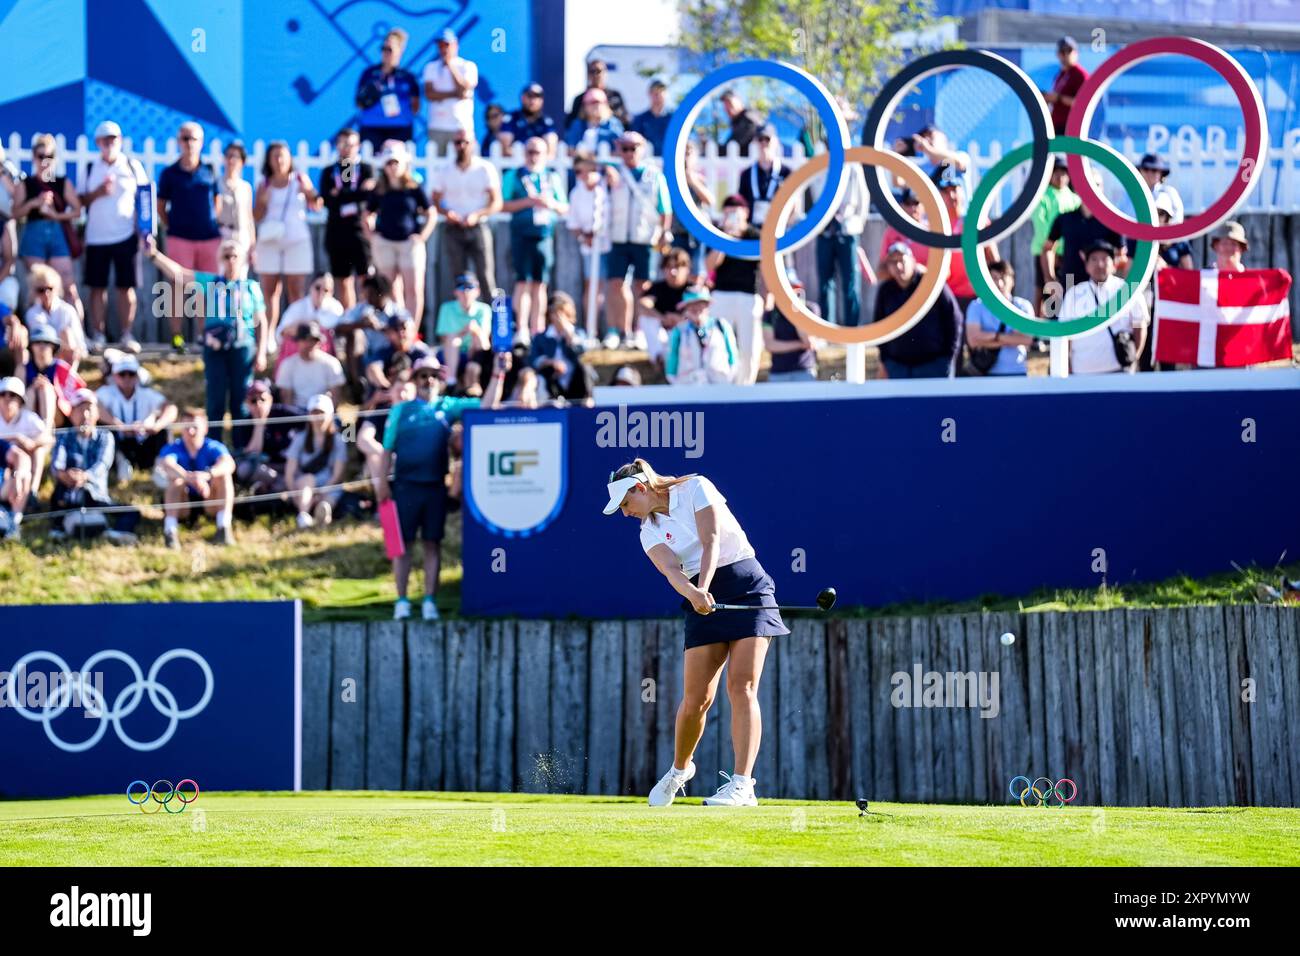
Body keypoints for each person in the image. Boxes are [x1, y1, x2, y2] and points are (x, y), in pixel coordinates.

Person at [602, 459, 788, 807]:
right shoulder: (648, 531)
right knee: (696, 700)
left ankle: (743, 785)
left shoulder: (696, 487)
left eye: (626, 504)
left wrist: (702, 588)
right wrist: (694, 594)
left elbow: (711, 539)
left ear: (640, 488)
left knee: (742, 685)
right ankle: (680, 770)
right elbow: (672, 571)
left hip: (746, 585)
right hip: (699, 598)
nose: (625, 514)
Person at [375, 353, 506, 621]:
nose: (428, 380)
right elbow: (387, 450)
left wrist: (498, 374)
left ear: (440, 379)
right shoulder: (400, 410)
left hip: (435, 486)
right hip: (404, 487)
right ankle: (402, 601)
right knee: (403, 546)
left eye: (433, 375)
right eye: (423, 376)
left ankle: (429, 600)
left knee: (432, 544)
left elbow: (486, 406)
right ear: (415, 379)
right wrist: (381, 485)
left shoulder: (448, 406)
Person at [145, 235, 268, 426]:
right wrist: (154, 255)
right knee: (215, 399)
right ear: (220, 260)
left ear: (242, 259)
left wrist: (261, 352)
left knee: (241, 399)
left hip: (242, 346)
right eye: (226, 256)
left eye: (235, 256)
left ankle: (241, 447)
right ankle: (215, 442)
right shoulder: (210, 282)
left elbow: (261, 322)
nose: (231, 261)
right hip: (215, 347)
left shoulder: (250, 287)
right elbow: (179, 273)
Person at [79, 120, 146, 352]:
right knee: (97, 288)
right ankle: (98, 335)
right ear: (98, 143)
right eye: (105, 140)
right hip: (96, 237)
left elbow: (145, 200)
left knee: (125, 288)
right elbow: (80, 201)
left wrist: (146, 233)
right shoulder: (89, 168)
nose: (109, 144)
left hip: (126, 236)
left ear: (120, 141)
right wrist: (98, 192)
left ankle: (127, 335)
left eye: (113, 139)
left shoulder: (133, 166)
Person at [157, 122, 222, 348]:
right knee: (177, 286)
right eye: (185, 138)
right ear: (178, 141)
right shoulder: (169, 173)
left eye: (193, 139)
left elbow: (217, 203)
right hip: (180, 238)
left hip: (209, 239)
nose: (189, 143)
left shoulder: (210, 171)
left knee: (207, 289)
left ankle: (205, 335)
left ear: (201, 142)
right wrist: (174, 226)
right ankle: (177, 337)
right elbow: (161, 206)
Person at [604, 132, 671, 349]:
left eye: (634, 148)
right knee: (616, 284)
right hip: (618, 236)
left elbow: (664, 209)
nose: (629, 153)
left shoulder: (654, 175)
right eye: (625, 148)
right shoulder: (613, 172)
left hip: (644, 237)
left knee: (643, 286)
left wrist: (663, 232)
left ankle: (641, 330)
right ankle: (619, 330)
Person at [49, 388, 139, 544]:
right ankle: (59, 528)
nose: (85, 415)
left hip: (96, 494)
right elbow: (56, 464)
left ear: (97, 413)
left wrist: (85, 476)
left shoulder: (105, 437)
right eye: (79, 409)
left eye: (89, 409)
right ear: (71, 414)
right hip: (68, 493)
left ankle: (114, 533)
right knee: (62, 492)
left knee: (132, 513)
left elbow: (102, 464)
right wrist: (65, 475)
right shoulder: (63, 436)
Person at [501, 137, 568, 339]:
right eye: (530, 152)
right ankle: (520, 327)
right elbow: (503, 204)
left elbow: (564, 207)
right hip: (521, 234)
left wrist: (550, 204)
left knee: (540, 283)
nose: (533, 157)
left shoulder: (551, 177)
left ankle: (536, 328)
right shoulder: (514, 175)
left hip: (544, 236)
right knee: (522, 281)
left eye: (537, 152)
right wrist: (528, 202)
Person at [364, 140, 435, 323]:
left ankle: (411, 329)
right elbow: (367, 213)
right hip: (385, 242)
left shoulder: (414, 188)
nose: (393, 167)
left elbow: (431, 213)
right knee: (390, 288)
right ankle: (395, 326)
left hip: (409, 243)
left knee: (413, 288)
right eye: (389, 163)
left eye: (396, 162)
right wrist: (372, 236)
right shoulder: (379, 190)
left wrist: (422, 236)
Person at [254, 141, 318, 337]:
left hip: (297, 241)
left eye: (283, 155)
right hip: (270, 242)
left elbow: (316, 206)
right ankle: (268, 336)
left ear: (290, 159)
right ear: (269, 160)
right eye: (275, 156)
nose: (279, 160)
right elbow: (256, 216)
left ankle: (296, 335)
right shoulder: (263, 184)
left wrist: (309, 192)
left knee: (296, 291)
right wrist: (263, 202)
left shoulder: (300, 180)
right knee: (269, 292)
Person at [16, 134, 84, 321]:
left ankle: (79, 337)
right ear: (33, 158)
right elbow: (15, 213)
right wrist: (33, 204)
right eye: (40, 156)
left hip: (57, 234)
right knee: (37, 288)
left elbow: (78, 211)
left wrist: (56, 215)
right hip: (34, 235)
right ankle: (39, 337)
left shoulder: (62, 183)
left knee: (69, 288)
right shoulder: (26, 184)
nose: (45, 161)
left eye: (49, 156)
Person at [1059, 240, 1149, 375]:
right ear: (1086, 266)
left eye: (1104, 259)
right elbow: (1065, 333)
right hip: (1082, 372)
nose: (1099, 264)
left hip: (1120, 370)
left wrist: (1133, 358)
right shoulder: (1074, 294)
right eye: (1094, 260)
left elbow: (1139, 324)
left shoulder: (1128, 290)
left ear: (1114, 264)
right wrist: (1068, 366)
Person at [429, 129, 501, 295]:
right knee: (457, 279)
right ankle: (459, 319)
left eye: (465, 142)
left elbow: (496, 202)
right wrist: (448, 213)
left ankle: (491, 318)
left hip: (478, 227)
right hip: (453, 228)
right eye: (457, 142)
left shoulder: (485, 168)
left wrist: (477, 214)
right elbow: (435, 200)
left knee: (486, 277)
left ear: (473, 144)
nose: (461, 146)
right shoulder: (445, 170)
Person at [874, 242, 962, 379]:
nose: (898, 266)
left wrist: (949, 356)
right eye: (893, 262)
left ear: (913, 261)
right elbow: (878, 325)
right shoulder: (886, 290)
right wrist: (885, 360)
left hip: (933, 365)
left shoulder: (931, 283)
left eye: (902, 260)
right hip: (897, 367)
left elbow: (954, 318)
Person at [1043, 170, 1130, 307]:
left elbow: (1122, 257)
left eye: (1097, 185)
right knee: (1058, 324)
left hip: (1100, 289)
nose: (1092, 190)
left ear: (1102, 189)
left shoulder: (1112, 221)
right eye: (1088, 185)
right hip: (1068, 284)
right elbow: (1048, 248)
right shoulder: (1064, 219)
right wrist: (1050, 278)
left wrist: (1102, 269)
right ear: (1078, 189)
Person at [156, 407, 237, 548]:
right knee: (176, 480)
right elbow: (166, 464)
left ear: (205, 428)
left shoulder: (212, 446)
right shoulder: (174, 447)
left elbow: (229, 463)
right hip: (183, 503)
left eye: (195, 427)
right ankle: (170, 531)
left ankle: (224, 528)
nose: (191, 431)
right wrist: (190, 478)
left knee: (223, 477)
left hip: (209, 499)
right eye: (186, 427)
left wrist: (207, 475)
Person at [706, 195, 764, 384]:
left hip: (749, 295)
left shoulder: (755, 235)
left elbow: (766, 266)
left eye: (735, 212)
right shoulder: (717, 234)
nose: (731, 216)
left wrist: (768, 296)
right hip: (722, 295)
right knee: (719, 344)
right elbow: (710, 266)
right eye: (727, 212)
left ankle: (746, 387)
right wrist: (726, 239)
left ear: (746, 213)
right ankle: (721, 384)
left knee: (749, 348)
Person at [94, 354, 177, 482]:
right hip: (119, 445)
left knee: (165, 429)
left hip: (142, 443)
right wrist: (118, 425)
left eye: (131, 374)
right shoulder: (106, 392)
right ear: (115, 376)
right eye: (122, 374)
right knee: (104, 429)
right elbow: (94, 406)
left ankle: (160, 466)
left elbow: (170, 408)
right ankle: (120, 463)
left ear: (137, 376)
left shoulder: (146, 394)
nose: (127, 378)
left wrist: (156, 425)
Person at [319, 128, 375, 311]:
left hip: (359, 230)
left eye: (351, 145)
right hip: (337, 231)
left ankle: (366, 314)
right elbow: (329, 200)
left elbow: (367, 197)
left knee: (365, 277)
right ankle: (349, 319)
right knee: (343, 279)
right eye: (343, 144)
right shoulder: (330, 171)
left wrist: (345, 196)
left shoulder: (366, 169)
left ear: (358, 146)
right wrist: (353, 195)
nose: (347, 149)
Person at [229, 379, 304, 498]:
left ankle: (272, 489)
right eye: (253, 401)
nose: (258, 404)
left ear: (270, 400)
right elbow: (252, 453)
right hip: (264, 468)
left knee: (303, 474)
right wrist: (259, 424)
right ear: (247, 404)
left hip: (289, 465)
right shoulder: (245, 423)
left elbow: (310, 421)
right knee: (244, 469)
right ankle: (280, 488)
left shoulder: (282, 412)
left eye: (262, 399)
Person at [284, 393, 348, 529]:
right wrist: (294, 494)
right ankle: (304, 515)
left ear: (330, 415)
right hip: (303, 486)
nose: (318, 417)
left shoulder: (338, 441)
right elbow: (289, 472)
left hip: (329, 485)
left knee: (326, 503)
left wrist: (321, 493)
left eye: (322, 413)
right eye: (314, 412)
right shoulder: (300, 439)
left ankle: (322, 517)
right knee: (308, 480)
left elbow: (337, 474)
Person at [816, 162, 869, 328]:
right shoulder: (822, 166)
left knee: (851, 282)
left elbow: (862, 200)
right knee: (825, 283)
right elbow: (816, 194)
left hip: (847, 231)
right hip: (825, 231)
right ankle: (827, 326)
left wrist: (855, 225)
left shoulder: (853, 168)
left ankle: (852, 327)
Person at [0, 374, 53, 538]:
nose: (8, 399)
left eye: (13, 396)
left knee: (36, 454)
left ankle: (31, 495)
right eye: (3, 394)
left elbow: (48, 438)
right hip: (4, 464)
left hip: (23, 465)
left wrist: (30, 442)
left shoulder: (29, 418)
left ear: (20, 401)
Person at [336, 273, 403, 399]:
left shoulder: (397, 311)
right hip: (365, 356)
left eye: (370, 294)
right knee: (356, 335)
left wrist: (380, 327)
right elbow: (339, 327)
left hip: (392, 356)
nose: (367, 298)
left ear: (382, 293)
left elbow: (406, 338)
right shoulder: (362, 308)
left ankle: (387, 392)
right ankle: (357, 387)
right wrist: (361, 324)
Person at [964, 260, 1034, 376]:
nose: (1000, 283)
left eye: (1003, 278)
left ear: (1012, 280)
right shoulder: (976, 306)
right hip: (986, 373)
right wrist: (1010, 338)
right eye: (995, 278)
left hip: (1017, 373)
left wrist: (992, 337)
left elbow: (1027, 339)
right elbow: (973, 340)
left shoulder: (1022, 306)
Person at [566, 151, 610, 334]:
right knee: (591, 285)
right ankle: (591, 328)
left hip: (609, 245)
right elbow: (573, 223)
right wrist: (586, 237)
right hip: (589, 246)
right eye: (578, 171)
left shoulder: (606, 186)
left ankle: (609, 328)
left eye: (585, 170)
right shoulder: (577, 193)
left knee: (610, 287)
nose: (582, 175)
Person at [355, 28, 421, 150]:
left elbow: (415, 107)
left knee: (396, 165)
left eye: (389, 50)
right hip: (372, 127)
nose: (385, 53)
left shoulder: (408, 77)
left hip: (399, 129)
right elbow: (359, 102)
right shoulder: (370, 74)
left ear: (400, 51)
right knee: (371, 165)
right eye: (383, 49)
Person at [1029, 157, 1080, 315]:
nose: (1060, 176)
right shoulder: (1041, 196)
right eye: (1056, 172)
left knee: (1067, 289)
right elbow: (1041, 224)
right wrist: (1052, 247)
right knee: (1042, 288)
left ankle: (1060, 321)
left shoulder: (1074, 198)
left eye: (1064, 172)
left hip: (1067, 254)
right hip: (1044, 251)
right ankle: (1037, 329)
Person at [529, 292, 594, 400]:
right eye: (554, 313)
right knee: (544, 374)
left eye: (561, 312)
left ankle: (586, 401)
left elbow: (583, 355)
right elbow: (534, 360)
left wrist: (569, 335)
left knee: (584, 368)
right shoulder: (541, 337)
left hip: (574, 382)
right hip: (553, 382)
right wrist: (551, 363)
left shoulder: (579, 334)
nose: (558, 317)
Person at [665, 288, 738, 385]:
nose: (696, 308)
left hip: (719, 385)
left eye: (700, 303)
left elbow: (733, 356)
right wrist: (675, 381)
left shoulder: (721, 326)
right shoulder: (679, 331)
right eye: (691, 304)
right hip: (688, 386)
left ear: (707, 305)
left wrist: (729, 376)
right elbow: (672, 360)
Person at [422, 29, 478, 153]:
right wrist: (454, 94)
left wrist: (450, 65)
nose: (443, 49)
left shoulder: (467, 66)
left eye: (446, 45)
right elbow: (430, 94)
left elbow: (464, 89)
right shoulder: (431, 67)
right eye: (440, 45)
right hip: (437, 125)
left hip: (460, 126)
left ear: (455, 45)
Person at [275, 273, 345, 372]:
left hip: (323, 353)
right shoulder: (297, 307)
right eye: (317, 288)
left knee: (321, 334)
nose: (321, 293)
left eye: (326, 290)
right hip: (296, 352)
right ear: (310, 288)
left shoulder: (335, 307)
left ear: (332, 292)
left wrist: (304, 325)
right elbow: (281, 332)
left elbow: (329, 326)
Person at [23, 324, 85, 429]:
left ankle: (46, 431)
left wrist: (52, 389)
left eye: (46, 342)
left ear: (53, 346)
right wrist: (33, 387)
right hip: (29, 411)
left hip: (59, 418)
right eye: (37, 342)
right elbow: (16, 399)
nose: (42, 346)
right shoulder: (23, 368)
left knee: (45, 389)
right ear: (31, 346)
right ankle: (28, 429)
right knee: (31, 391)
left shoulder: (62, 368)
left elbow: (77, 396)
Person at [24, 265, 87, 370]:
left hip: (70, 354)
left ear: (56, 288)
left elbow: (77, 341)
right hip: (46, 353)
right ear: (35, 291)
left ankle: (69, 373)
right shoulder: (32, 313)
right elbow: (40, 338)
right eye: (41, 290)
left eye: (50, 288)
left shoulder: (67, 310)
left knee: (65, 333)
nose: (46, 293)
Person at [434, 273, 491, 385]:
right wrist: (465, 331)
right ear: (455, 292)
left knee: (476, 338)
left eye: (469, 288)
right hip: (453, 354)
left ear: (477, 291)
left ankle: (474, 384)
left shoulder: (484, 309)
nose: (465, 292)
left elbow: (485, 342)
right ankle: (451, 382)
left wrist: (475, 330)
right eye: (461, 288)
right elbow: (444, 338)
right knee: (453, 340)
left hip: (476, 353)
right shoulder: (446, 308)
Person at [638, 248, 690, 366]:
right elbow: (643, 304)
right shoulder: (658, 287)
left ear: (687, 269)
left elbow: (702, 313)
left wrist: (679, 319)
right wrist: (662, 318)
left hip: (685, 336)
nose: (673, 271)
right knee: (646, 319)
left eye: (677, 266)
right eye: (669, 267)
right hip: (664, 333)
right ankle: (659, 359)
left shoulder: (692, 289)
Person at [275, 320, 346, 407]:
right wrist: (292, 417)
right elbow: (286, 397)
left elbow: (336, 395)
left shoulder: (331, 363)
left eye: (313, 340)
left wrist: (326, 414)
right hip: (297, 412)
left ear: (319, 342)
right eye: (304, 340)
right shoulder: (288, 364)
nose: (308, 344)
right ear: (297, 342)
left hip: (322, 412)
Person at [762, 277, 818, 382]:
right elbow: (770, 345)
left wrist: (796, 313)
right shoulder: (770, 314)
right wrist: (799, 345)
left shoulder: (810, 309)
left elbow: (808, 342)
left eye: (795, 288)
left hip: (804, 371)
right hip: (778, 373)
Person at [736, 124, 787, 231]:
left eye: (767, 139)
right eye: (760, 139)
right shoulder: (746, 174)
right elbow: (741, 204)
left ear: (775, 141)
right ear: (755, 142)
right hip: (752, 229)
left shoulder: (786, 173)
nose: (763, 143)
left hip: (779, 229)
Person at [216, 140, 255, 269]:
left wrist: (252, 244)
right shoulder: (216, 183)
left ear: (242, 162)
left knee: (240, 276)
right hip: (222, 234)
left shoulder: (245, 187)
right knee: (220, 275)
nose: (231, 160)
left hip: (241, 235)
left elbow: (249, 217)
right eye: (228, 156)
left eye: (235, 156)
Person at [1043, 36, 1089, 136]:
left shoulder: (1080, 75)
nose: (1066, 55)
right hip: (1057, 125)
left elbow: (1082, 103)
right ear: (1058, 55)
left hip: (1072, 126)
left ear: (1076, 53)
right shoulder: (1060, 75)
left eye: (1069, 51)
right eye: (1062, 52)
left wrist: (1059, 98)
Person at [567, 59, 630, 128]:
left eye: (599, 71)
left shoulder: (615, 95)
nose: (595, 75)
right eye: (592, 71)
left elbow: (625, 120)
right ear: (588, 75)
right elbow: (570, 123)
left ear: (605, 73)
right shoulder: (580, 99)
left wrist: (606, 113)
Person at [500, 83, 559, 157]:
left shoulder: (545, 121)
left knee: (551, 137)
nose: (532, 101)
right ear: (522, 98)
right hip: (514, 164)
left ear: (542, 101)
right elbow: (506, 148)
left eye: (537, 97)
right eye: (529, 96)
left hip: (539, 164)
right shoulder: (512, 118)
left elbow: (550, 151)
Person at [877, 188, 931, 268]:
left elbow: (945, 270)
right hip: (899, 279)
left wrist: (918, 271)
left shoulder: (933, 232)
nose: (913, 208)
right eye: (908, 203)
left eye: (916, 203)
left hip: (929, 278)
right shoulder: (892, 232)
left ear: (923, 205)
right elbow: (881, 269)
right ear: (901, 206)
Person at [564, 89, 625, 156]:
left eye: (600, 102)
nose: (596, 106)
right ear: (584, 106)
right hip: (581, 165)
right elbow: (570, 149)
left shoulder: (614, 124)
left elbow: (621, 150)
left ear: (606, 104)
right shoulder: (577, 124)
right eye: (592, 102)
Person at [631, 78, 674, 156]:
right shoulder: (640, 119)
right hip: (647, 163)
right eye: (655, 93)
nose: (658, 96)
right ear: (649, 94)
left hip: (669, 161)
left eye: (661, 92)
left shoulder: (674, 119)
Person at [1137, 153, 1184, 225]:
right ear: (1140, 171)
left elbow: (1178, 218)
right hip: (1135, 234)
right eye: (1146, 169)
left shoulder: (1168, 192)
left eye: (1154, 170)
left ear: (1161, 173)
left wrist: (1162, 230)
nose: (1149, 173)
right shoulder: (1132, 193)